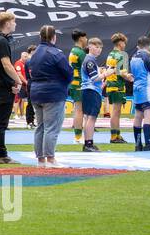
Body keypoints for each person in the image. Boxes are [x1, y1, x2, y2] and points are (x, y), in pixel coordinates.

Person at [27, 25, 72, 167]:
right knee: (51, 127)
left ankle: (41, 160)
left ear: (40, 37)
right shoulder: (56, 53)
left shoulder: (33, 55)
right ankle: (51, 158)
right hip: (53, 94)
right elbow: (68, 73)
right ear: (54, 37)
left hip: (36, 93)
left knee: (40, 127)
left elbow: (30, 73)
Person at [0, 11, 22, 164]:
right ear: (7, 23)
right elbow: (6, 65)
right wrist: (18, 80)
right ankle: (1, 154)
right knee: (0, 123)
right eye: (14, 21)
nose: (15, 24)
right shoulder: (2, 42)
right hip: (2, 87)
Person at [130, 35, 150, 151]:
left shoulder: (133, 56)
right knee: (148, 114)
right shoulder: (147, 56)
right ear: (149, 46)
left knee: (138, 115)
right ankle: (148, 143)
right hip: (147, 88)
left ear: (138, 45)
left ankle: (138, 144)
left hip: (137, 87)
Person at [103, 33, 131, 144]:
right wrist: (129, 77)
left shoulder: (110, 54)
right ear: (120, 43)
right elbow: (122, 72)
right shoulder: (122, 54)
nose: (125, 45)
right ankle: (114, 136)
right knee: (115, 112)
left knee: (116, 112)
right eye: (124, 43)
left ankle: (117, 135)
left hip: (111, 85)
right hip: (117, 86)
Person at [79, 38, 105, 152]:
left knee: (89, 118)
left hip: (91, 90)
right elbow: (94, 78)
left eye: (100, 48)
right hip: (91, 90)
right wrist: (106, 73)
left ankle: (88, 143)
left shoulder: (91, 60)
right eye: (96, 47)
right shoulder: (90, 60)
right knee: (91, 118)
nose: (99, 50)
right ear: (90, 47)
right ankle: (88, 144)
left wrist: (102, 82)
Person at [67, 29, 88, 144]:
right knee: (79, 111)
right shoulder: (80, 52)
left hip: (74, 83)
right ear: (81, 38)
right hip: (80, 83)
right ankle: (78, 137)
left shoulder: (73, 51)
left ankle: (78, 136)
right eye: (85, 37)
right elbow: (87, 69)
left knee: (78, 110)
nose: (86, 40)